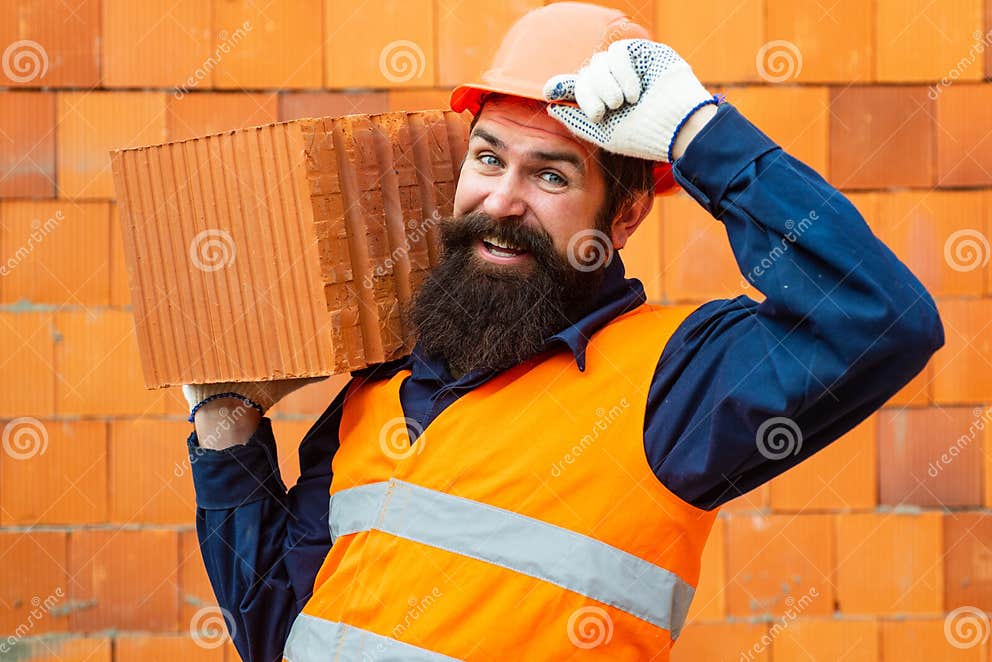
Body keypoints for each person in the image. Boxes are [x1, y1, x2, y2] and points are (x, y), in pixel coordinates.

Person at [181, 3, 944, 660]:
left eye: (552, 175)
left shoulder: (671, 387)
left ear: (626, 214)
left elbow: (881, 320)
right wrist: (227, 426)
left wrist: (698, 134)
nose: (502, 201)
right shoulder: (383, 386)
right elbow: (278, 633)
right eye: (488, 158)